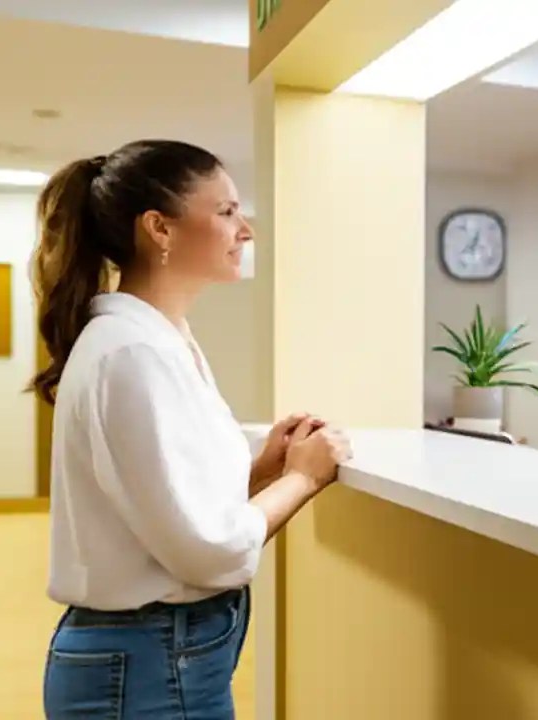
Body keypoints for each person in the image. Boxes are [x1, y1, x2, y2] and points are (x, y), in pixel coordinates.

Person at [31, 139, 353, 717]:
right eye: (227, 211)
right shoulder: (131, 352)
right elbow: (209, 551)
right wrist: (303, 479)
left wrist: (263, 469)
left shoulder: (158, 340)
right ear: (160, 228)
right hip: (150, 665)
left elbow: (168, 507)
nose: (246, 229)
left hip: (161, 656)